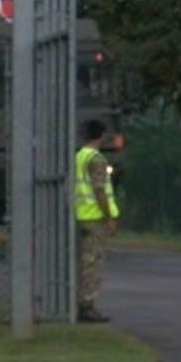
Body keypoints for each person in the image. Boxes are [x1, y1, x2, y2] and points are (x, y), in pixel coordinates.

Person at [74, 120, 119, 323]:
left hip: (80, 214)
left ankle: (78, 301)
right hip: (94, 217)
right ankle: (87, 305)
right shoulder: (97, 159)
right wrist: (108, 217)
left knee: (83, 260)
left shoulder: (80, 156)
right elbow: (100, 190)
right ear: (100, 136)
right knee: (92, 261)